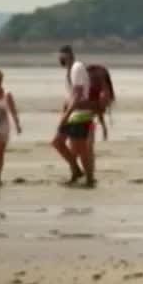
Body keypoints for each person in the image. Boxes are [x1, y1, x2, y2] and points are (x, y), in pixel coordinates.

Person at [52, 45, 96, 187]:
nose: (59, 59)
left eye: (61, 56)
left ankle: (88, 179)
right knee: (58, 142)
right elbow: (71, 96)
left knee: (81, 149)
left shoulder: (77, 68)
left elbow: (77, 95)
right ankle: (77, 171)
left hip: (80, 115)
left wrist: (65, 116)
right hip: (74, 114)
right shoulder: (70, 70)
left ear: (68, 55)